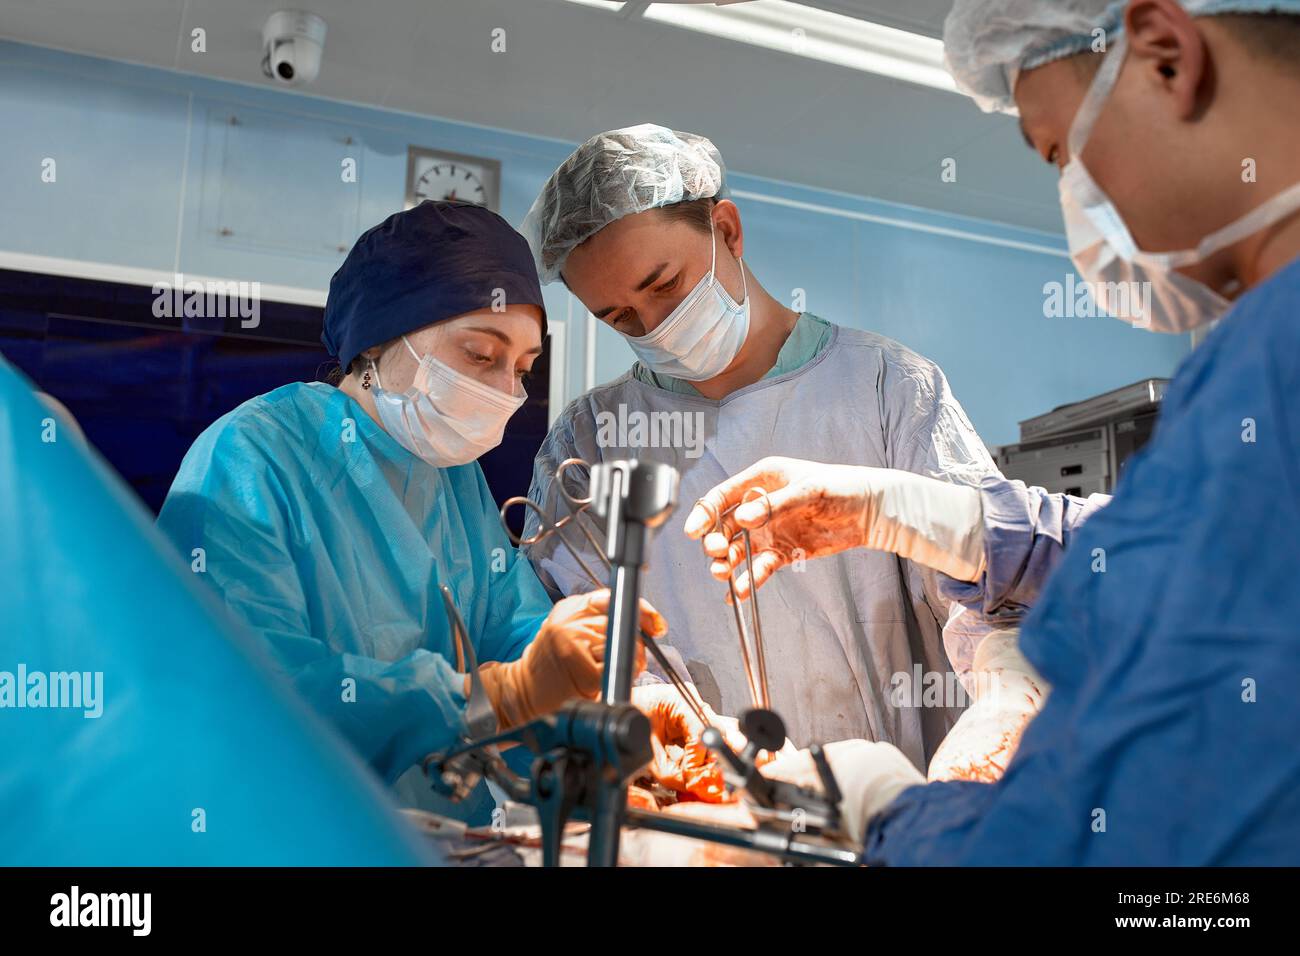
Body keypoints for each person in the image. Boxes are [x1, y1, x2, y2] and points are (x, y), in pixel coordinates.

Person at [686, 0, 1300, 864]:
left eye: (1058, 153)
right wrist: (899, 512)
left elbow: (1129, 845)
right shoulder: (1256, 360)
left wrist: (887, 808)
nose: (1072, 202)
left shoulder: (1269, 363)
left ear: (1166, 52)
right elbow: (1155, 553)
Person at [518, 124, 1002, 767]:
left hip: (891, 807)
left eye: (665, 285)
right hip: (701, 812)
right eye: (618, 317)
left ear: (727, 230)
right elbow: (573, 646)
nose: (655, 326)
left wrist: (995, 727)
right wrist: (668, 733)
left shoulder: (887, 387)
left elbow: (986, 596)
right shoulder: (591, 441)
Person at [157, 201, 661, 816]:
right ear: (377, 341)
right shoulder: (250, 458)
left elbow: (512, 632)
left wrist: (598, 700)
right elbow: (248, 696)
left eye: (523, 368)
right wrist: (506, 694)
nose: (506, 390)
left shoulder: (454, 480)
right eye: (480, 354)